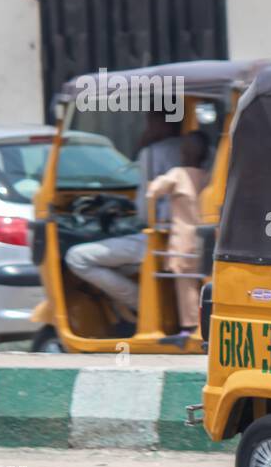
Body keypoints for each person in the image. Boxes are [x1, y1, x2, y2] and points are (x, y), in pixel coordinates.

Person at [65, 112, 183, 325]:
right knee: (120, 267)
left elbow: (145, 211)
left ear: (158, 122)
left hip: (160, 240)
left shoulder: (153, 152)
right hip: (186, 238)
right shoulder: (207, 150)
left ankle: (144, 306)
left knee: (77, 258)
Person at [147, 131, 210, 338]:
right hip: (206, 238)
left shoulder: (178, 173)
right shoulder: (208, 176)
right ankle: (205, 324)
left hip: (184, 239)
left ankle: (190, 327)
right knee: (204, 282)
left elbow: (153, 191)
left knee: (185, 284)